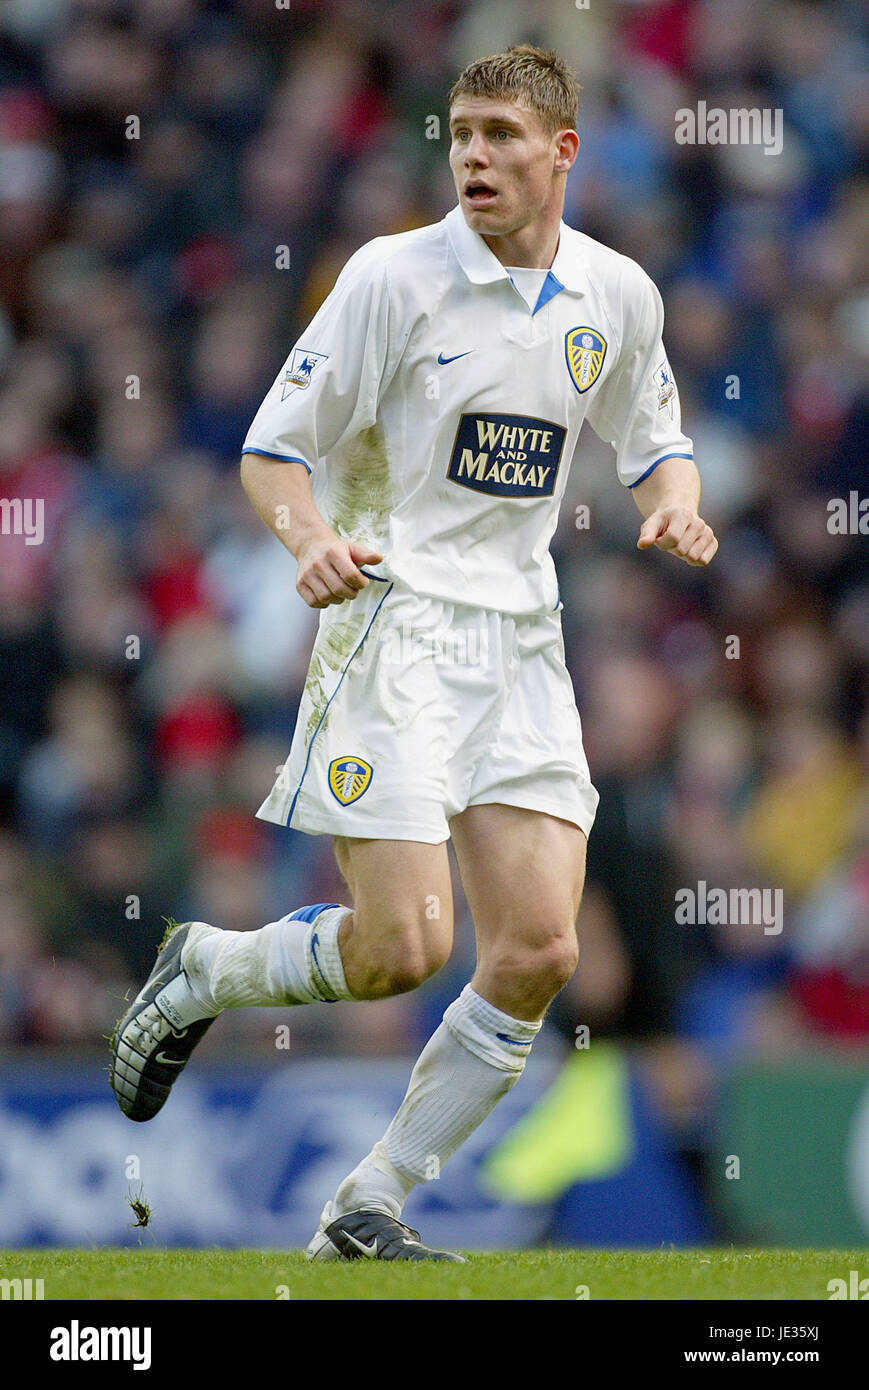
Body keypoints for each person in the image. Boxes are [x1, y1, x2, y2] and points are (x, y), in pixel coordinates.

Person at [109, 44, 717, 1262]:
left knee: (543, 949)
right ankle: (205, 969)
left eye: (500, 134)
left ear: (563, 151)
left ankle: (365, 1205)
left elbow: (654, 436)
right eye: (459, 134)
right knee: (404, 949)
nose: (474, 156)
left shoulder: (616, 294)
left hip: (520, 639)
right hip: (389, 620)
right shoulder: (389, 277)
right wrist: (311, 542)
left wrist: (676, 501)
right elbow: (270, 451)